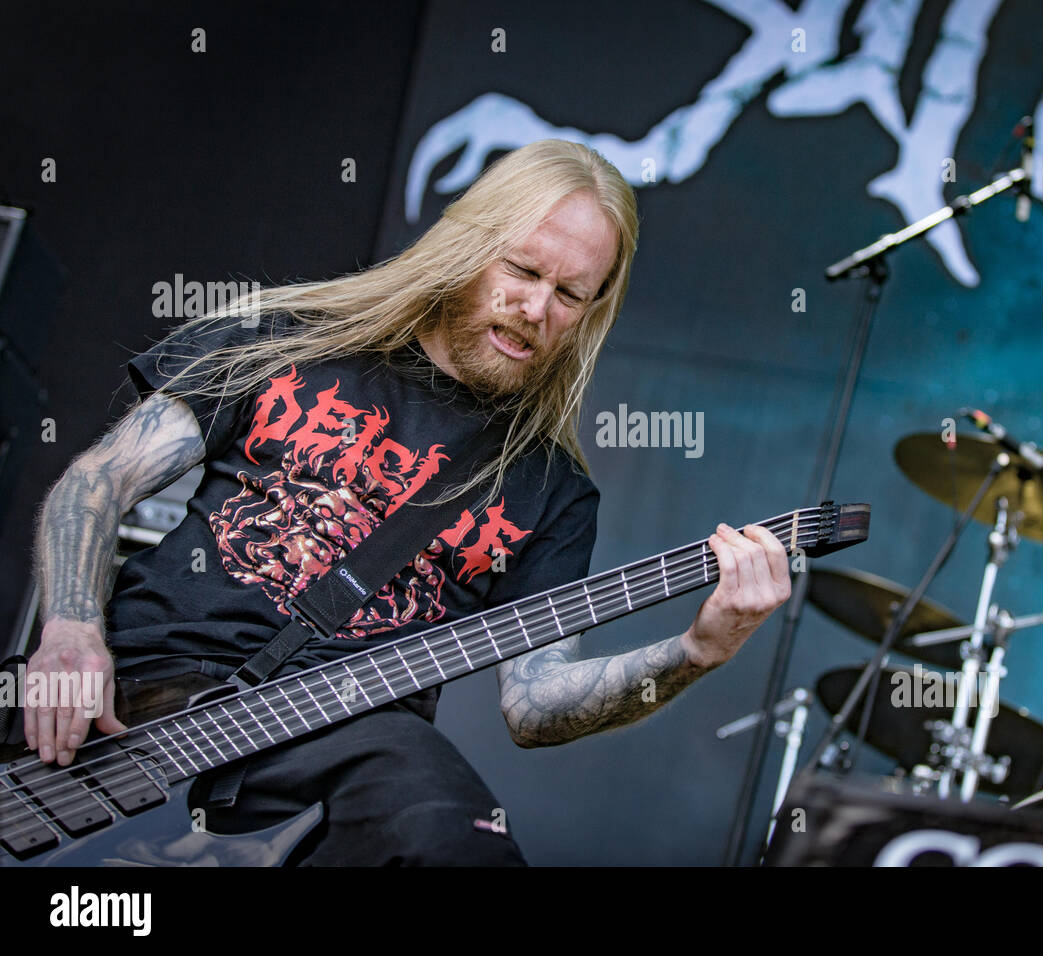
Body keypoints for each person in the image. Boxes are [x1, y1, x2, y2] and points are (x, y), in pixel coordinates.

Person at [22, 139, 792, 865]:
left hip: (342, 732)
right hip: (150, 680)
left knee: (455, 834)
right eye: (522, 270)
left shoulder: (548, 489)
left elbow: (538, 704)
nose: (535, 309)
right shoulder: (286, 336)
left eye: (568, 295)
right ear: (468, 246)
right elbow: (97, 482)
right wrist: (68, 630)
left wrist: (697, 652)